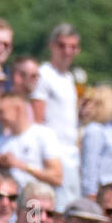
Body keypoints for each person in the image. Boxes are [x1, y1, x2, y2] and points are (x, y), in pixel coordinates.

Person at [30, 24, 82, 210]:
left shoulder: (69, 77)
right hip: (54, 154)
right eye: (62, 45)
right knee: (57, 211)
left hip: (71, 154)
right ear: (51, 46)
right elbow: (37, 118)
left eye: (72, 46)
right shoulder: (44, 75)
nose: (67, 51)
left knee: (69, 209)